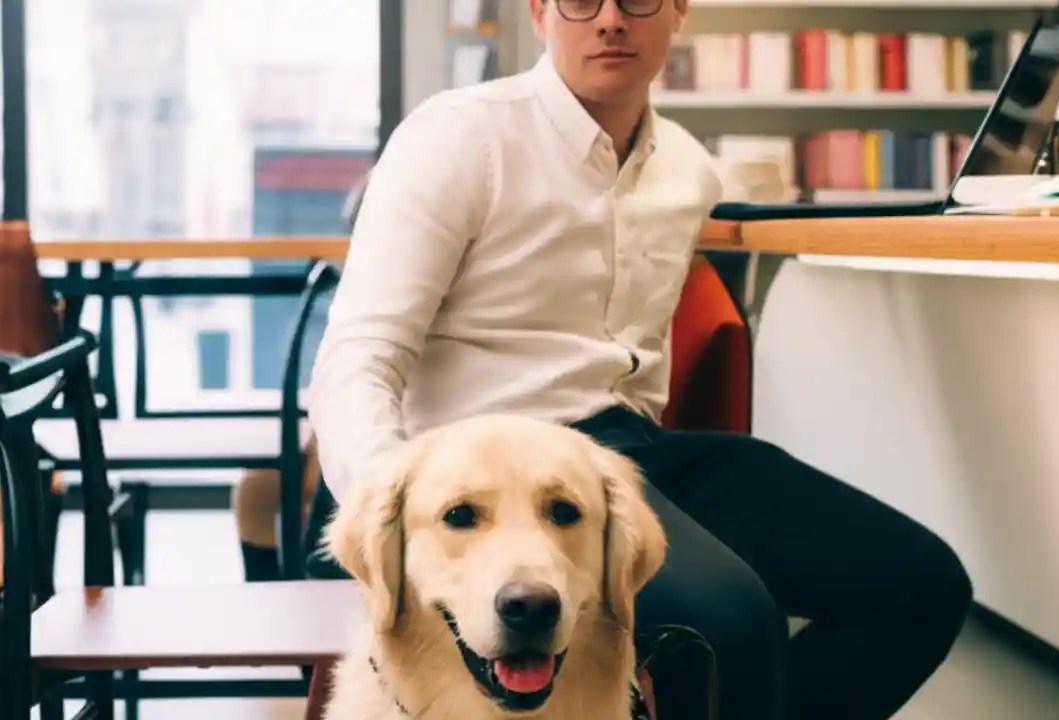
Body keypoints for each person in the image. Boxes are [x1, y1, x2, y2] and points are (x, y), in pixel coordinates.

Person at [307, 0, 974, 718]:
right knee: (727, 620)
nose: (610, 20)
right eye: (580, 1)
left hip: (628, 449)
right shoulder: (459, 137)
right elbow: (359, 355)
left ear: (679, 11)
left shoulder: (688, 167)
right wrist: (392, 503)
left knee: (920, 585)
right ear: (540, 12)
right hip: (485, 459)